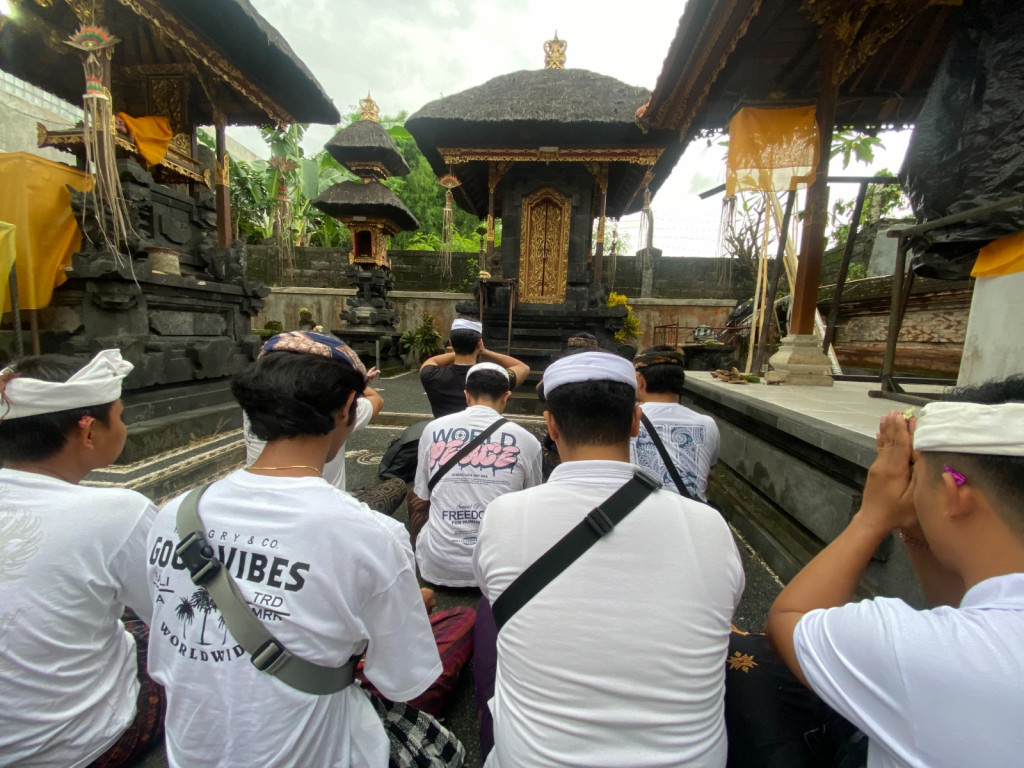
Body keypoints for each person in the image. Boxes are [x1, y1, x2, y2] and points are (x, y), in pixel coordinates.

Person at [147, 333, 472, 767]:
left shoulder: (174, 516)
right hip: (321, 750)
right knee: (460, 624)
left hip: (190, 752)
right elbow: (402, 683)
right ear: (344, 410)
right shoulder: (370, 534)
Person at [473, 350, 745, 766]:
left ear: (551, 426)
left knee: (489, 611)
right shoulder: (708, 526)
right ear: (636, 421)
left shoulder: (505, 517)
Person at [766, 377, 1024, 768]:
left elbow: (788, 621)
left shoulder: (911, 651)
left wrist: (871, 518)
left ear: (953, 494)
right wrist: (916, 527)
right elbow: (966, 612)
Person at [0, 350, 164, 767]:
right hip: (73, 748)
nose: (123, 426)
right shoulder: (118, 512)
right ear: (88, 431)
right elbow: (175, 617)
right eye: (120, 415)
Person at [410, 362, 542, 587]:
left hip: (438, 566)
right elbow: (532, 503)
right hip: (498, 569)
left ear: (466, 396)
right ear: (506, 397)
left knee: (414, 493)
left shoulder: (433, 430)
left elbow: (423, 494)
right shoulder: (527, 441)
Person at [241, 331, 403, 514]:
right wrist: (357, 382)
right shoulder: (378, 533)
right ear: (347, 404)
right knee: (397, 486)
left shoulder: (202, 505)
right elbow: (377, 401)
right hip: (335, 511)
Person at [631, 346, 720, 501]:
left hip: (639, 512)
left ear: (640, 380)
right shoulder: (707, 424)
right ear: (682, 379)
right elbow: (706, 472)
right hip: (693, 515)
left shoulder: (625, 420)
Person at [420, 317, 529, 418]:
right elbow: (522, 367)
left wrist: (460, 349)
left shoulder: (431, 375)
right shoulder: (496, 378)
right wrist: (483, 351)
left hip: (443, 436)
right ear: (479, 342)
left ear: (451, 342)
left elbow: (431, 361)